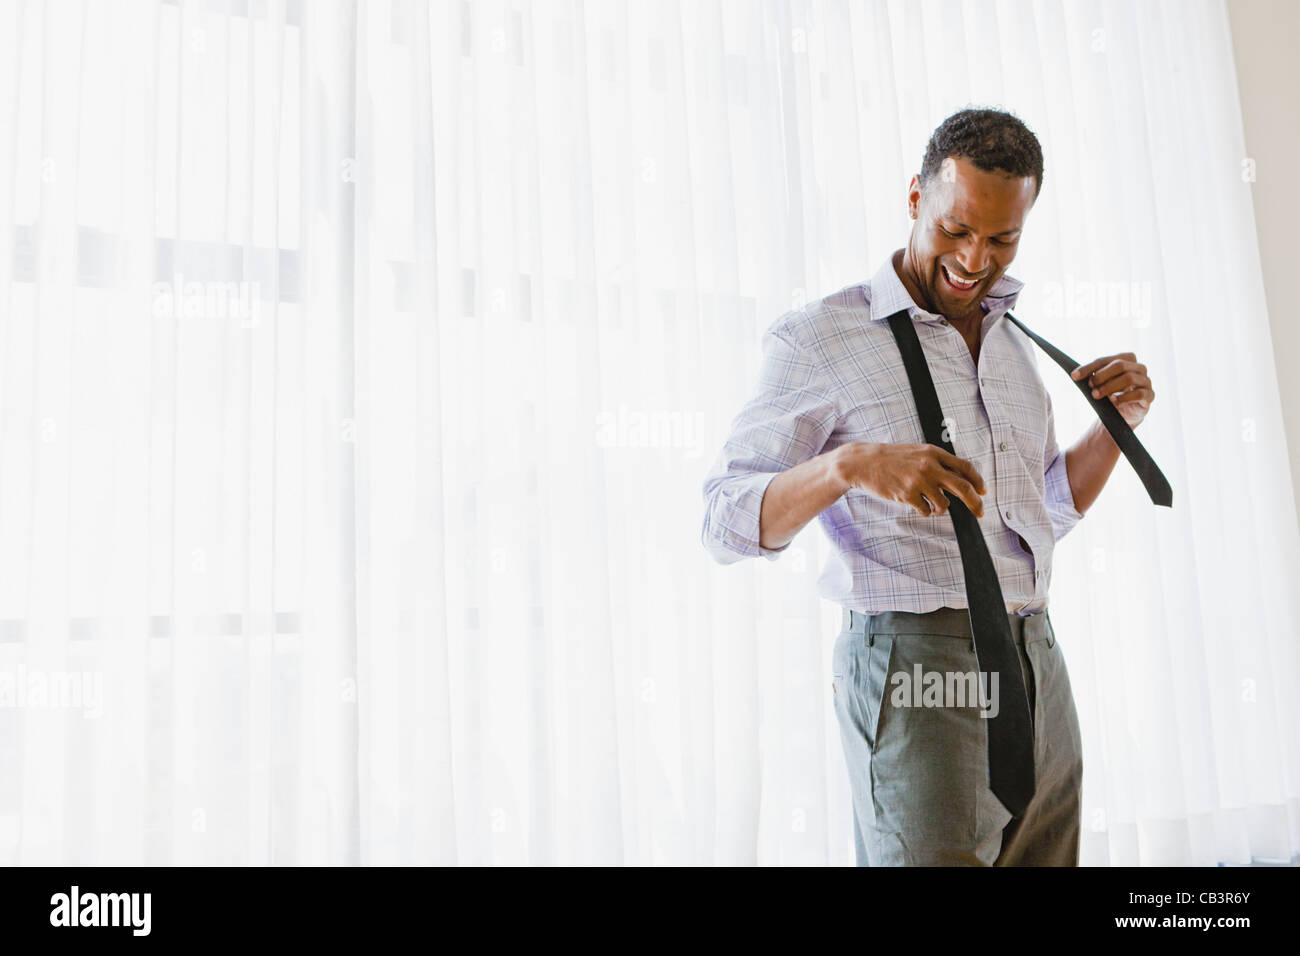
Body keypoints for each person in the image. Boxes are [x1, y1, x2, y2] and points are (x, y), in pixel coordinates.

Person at [699, 107, 1156, 866]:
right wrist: (848, 467)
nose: (977, 260)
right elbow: (722, 521)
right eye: (955, 229)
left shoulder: (1013, 345)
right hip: (919, 668)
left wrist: (1117, 427)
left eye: (1002, 239)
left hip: (1037, 657)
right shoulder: (820, 338)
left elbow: (1038, 516)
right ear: (916, 198)